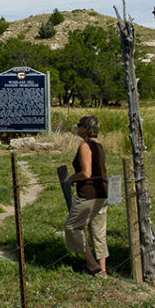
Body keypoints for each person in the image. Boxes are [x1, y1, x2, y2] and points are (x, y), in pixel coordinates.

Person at [64, 115, 109, 277]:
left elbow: (86, 172)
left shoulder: (85, 145)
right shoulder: (99, 145)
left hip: (88, 194)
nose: (78, 127)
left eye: (80, 125)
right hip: (102, 193)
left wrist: (72, 178)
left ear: (87, 129)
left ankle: (91, 264)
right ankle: (102, 269)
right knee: (98, 231)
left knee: (72, 227)